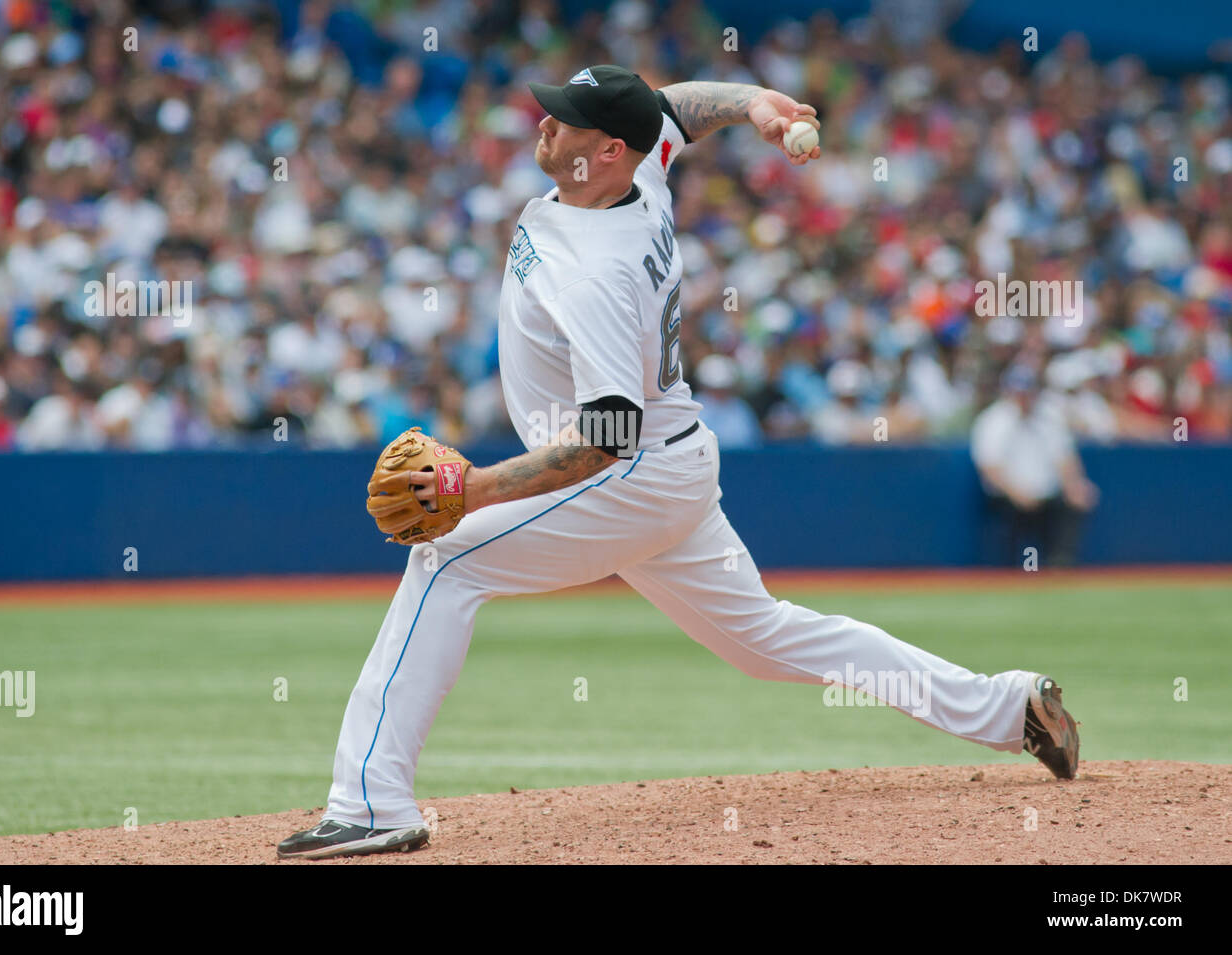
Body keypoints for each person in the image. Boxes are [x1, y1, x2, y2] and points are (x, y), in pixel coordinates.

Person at [279, 67, 1081, 860]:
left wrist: (476, 489)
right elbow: (678, 110)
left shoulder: (596, 269)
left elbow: (607, 436)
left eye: (565, 122)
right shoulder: (634, 173)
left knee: (446, 560)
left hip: (630, 473)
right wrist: (757, 103)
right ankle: (1007, 707)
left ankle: (372, 804)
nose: (544, 126)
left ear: (611, 151)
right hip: (674, 463)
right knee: (765, 639)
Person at [971, 364, 1099, 567]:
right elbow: (990, 468)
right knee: (1010, 517)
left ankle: (1060, 567)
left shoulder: (1050, 416)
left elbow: (1064, 458)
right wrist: (1018, 494)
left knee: (1074, 501)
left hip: (1047, 495)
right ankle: (1010, 571)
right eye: (1019, 392)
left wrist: (1074, 485)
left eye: (1028, 391)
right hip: (1009, 497)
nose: (1024, 398)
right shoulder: (993, 420)